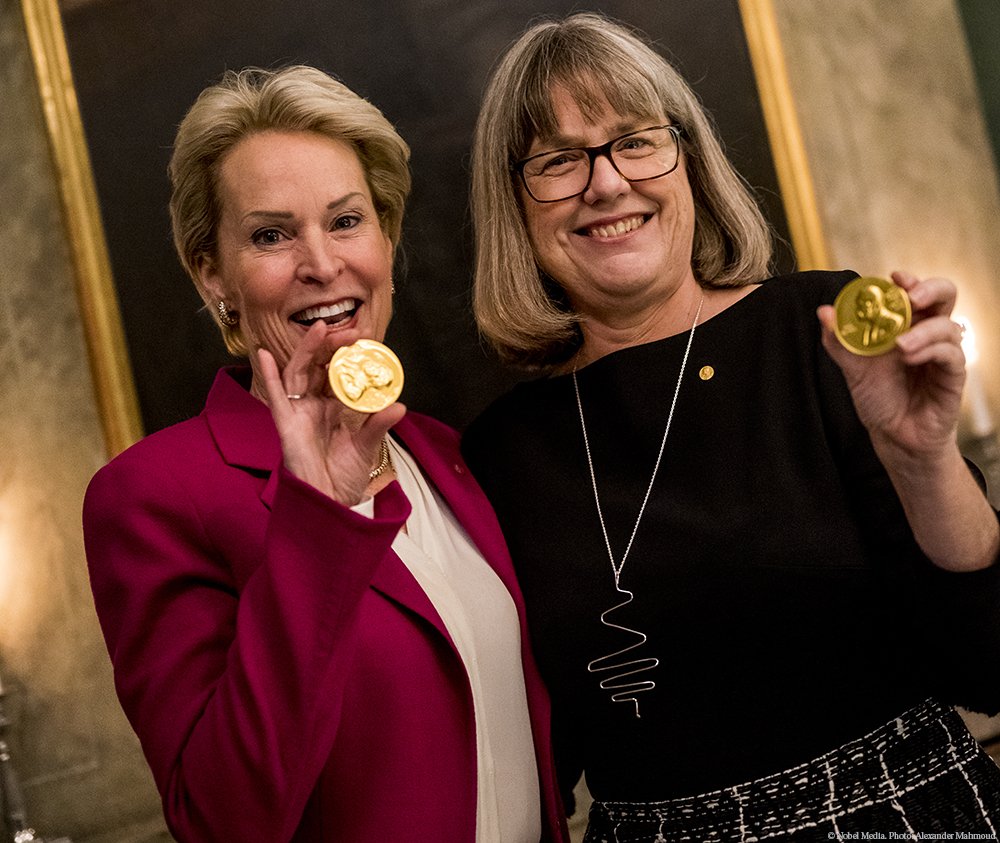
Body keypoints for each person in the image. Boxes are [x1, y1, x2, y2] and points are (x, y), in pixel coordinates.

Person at [462, 12, 1000, 841]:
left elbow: (991, 660)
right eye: (559, 160)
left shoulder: (813, 334)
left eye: (635, 140)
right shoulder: (501, 452)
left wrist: (925, 458)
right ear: (516, 204)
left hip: (903, 815)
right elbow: (518, 759)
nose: (606, 184)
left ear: (689, 159)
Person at [82, 65, 567, 842]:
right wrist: (317, 520)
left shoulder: (443, 454)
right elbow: (222, 818)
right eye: (271, 235)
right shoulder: (151, 494)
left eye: (346, 221)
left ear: (386, 238)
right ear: (214, 276)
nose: (321, 262)